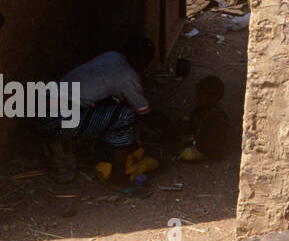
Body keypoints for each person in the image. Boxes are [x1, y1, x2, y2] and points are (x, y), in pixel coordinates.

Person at [39, 37, 165, 185]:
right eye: (147, 61)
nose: (146, 65)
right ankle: (118, 179)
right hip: (58, 118)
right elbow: (144, 113)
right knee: (126, 115)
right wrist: (168, 126)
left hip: (46, 111)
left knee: (115, 108)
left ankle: (95, 154)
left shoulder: (112, 56)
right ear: (141, 59)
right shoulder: (128, 75)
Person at [178, 75, 230, 161]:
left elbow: (216, 147)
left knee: (189, 154)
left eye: (199, 96)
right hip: (197, 143)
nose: (196, 99)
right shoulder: (198, 111)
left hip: (206, 149)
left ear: (213, 99)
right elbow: (191, 126)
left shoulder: (218, 119)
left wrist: (197, 148)